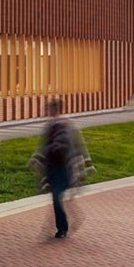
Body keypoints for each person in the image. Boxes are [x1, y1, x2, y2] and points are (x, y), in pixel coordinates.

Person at [30, 98, 90, 239]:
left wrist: (85, 165)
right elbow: (43, 146)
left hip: (64, 167)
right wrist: (35, 159)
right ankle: (62, 224)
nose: (46, 111)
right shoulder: (48, 126)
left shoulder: (66, 124)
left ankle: (61, 228)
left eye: (48, 108)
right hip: (51, 167)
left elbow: (78, 145)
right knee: (56, 198)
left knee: (57, 197)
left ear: (55, 109)